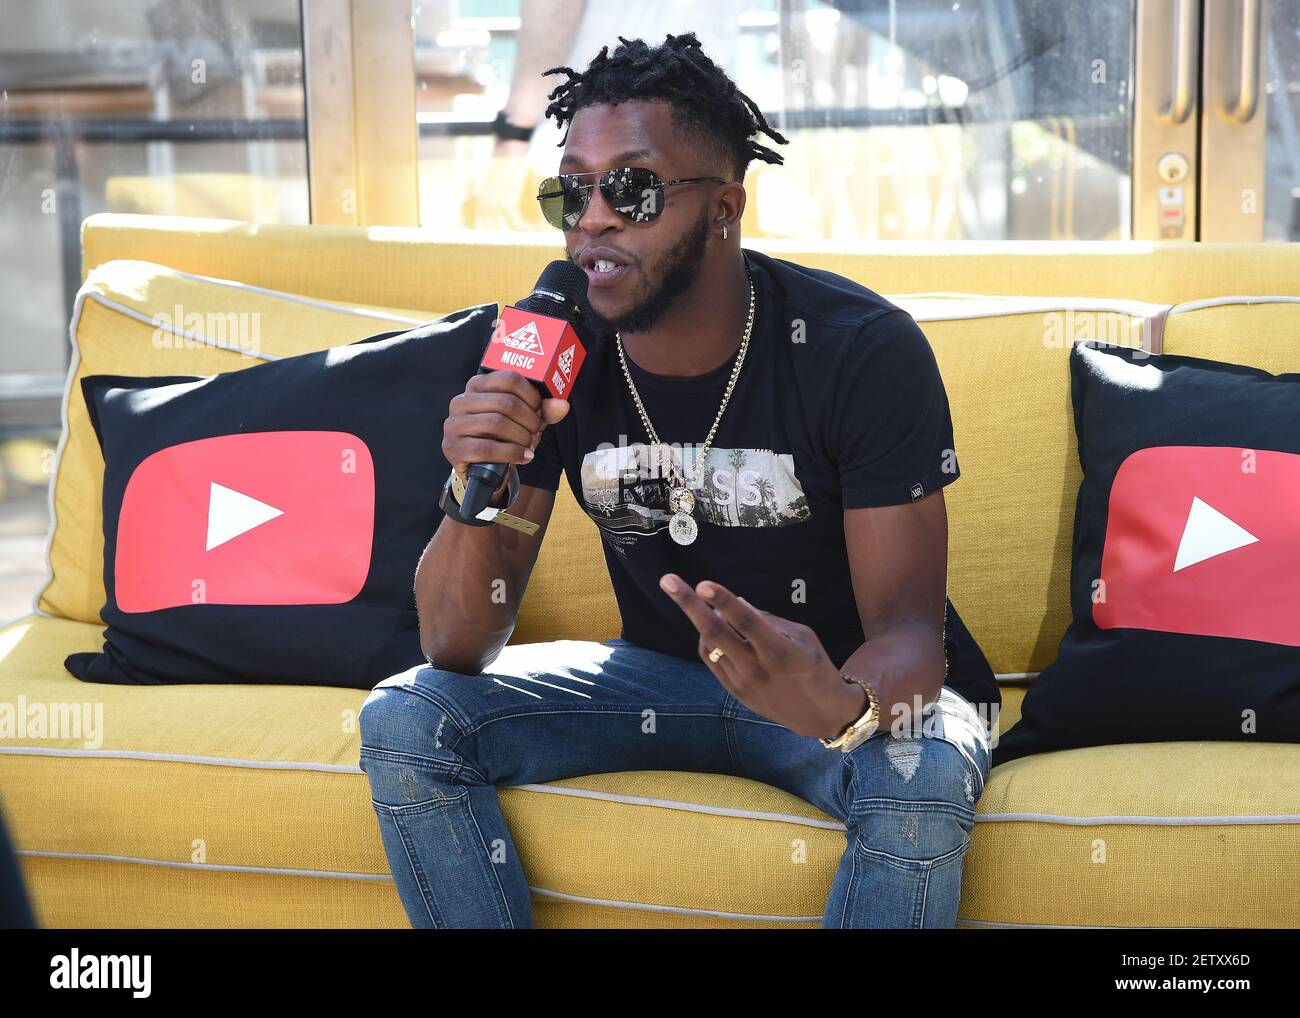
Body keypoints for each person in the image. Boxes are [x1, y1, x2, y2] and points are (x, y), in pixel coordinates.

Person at [359, 32, 999, 929]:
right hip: (669, 683)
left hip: (846, 695)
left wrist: (842, 708)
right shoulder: (555, 348)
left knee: (918, 769)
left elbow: (909, 636)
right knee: (409, 716)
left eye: (631, 187)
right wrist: (478, 479)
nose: (593, 219)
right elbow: (459, 644)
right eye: (570, 191)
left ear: (725, 206)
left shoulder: (858, 349)